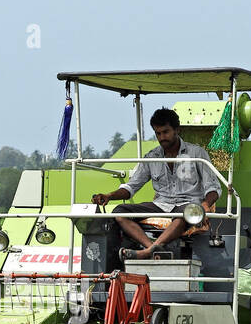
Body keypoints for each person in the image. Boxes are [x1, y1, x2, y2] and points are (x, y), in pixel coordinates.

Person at [90, 107, 221, 260]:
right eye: (158, 133)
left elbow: (213, 187)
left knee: (185, 214)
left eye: (165, 132)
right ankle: (153, 249)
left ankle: (147, 252)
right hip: (161, 204)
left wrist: (205, 205)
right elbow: (131, 187)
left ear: (176, 130)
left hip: (188, 205)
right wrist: (109, 196)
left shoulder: (197, 153)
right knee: (120, 212)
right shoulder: (151, 157)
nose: (161, 137)